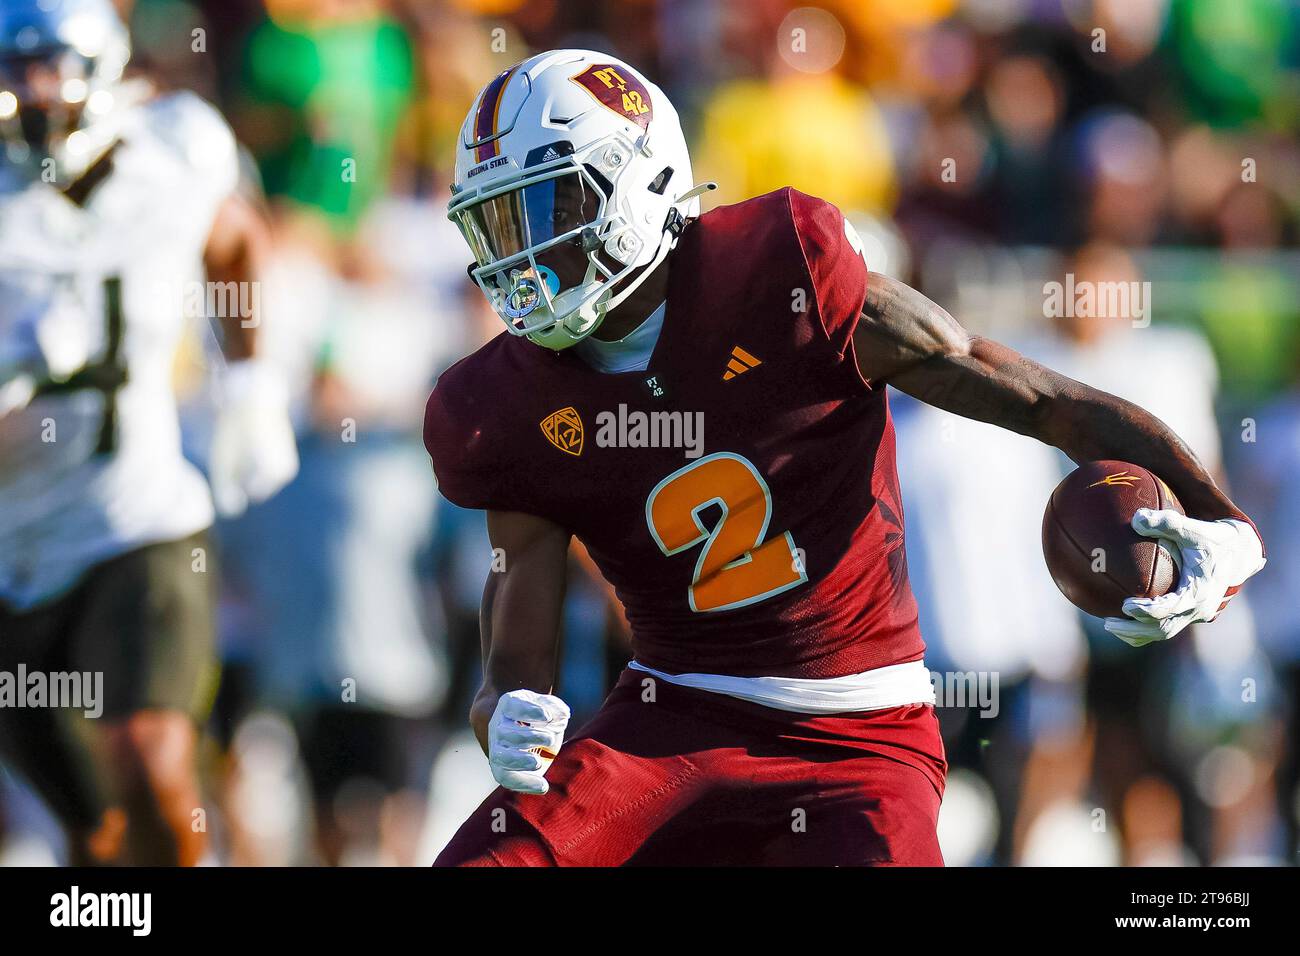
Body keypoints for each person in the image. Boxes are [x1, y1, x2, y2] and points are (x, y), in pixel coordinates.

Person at [423, 50, 1266, 866]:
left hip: (858, 730)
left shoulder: (785, 280)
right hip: (668, 718)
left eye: (545, 211)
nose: (520, 258)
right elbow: (514, 665)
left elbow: (1040, 400)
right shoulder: (510, 401)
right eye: (498, 223)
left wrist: (1223, 520)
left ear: (640, 183)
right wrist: (504, 716)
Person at [0, 0, 296, 865]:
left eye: (48, 66)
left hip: (135, 520)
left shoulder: (170, 154)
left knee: (151, 760)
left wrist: (250, 384)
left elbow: (236, 239)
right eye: (14, 69)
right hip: (13, 547)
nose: (31, 90)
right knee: (94, 833)